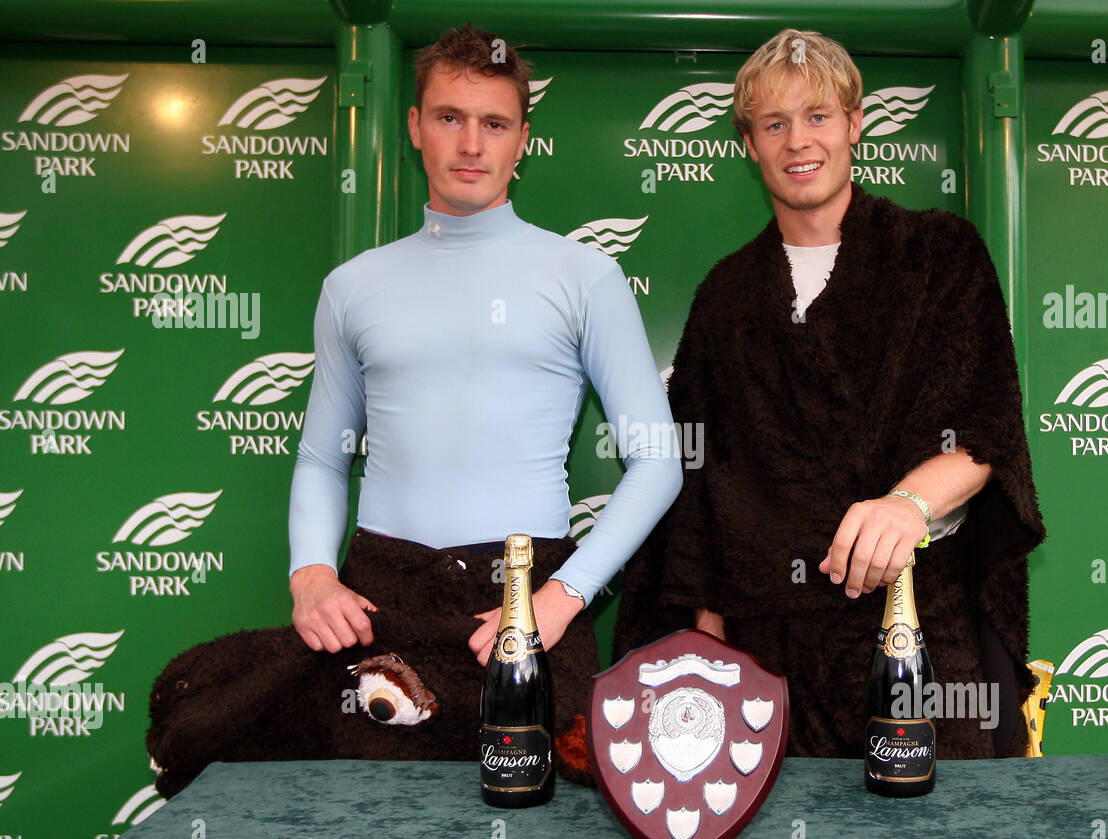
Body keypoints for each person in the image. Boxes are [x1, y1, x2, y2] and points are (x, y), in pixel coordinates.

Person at [614, 28, 1045, 760]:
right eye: (773, 123)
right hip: (766, 651)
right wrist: (710, 658)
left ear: (855, 123)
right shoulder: (727, 296)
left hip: (919, 624)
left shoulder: (939, 254)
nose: (797, 140)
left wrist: (906, 505)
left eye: (817, 115)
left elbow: (987, 430)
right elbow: (697, 494)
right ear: (749, 144)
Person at [286, 25, 682, 780]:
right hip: (381, 598)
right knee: (375, 833)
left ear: (522, 139)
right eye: (449, 117)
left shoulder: (584, 277)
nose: (471, 143)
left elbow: (658, 462)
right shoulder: (352, 288)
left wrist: (559, 601)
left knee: (542, 835)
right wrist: (310, 572)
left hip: (528, 598)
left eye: (494, 123)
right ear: (414, 126)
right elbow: (320, 457)